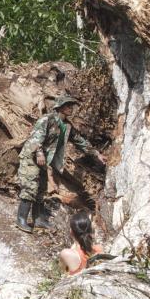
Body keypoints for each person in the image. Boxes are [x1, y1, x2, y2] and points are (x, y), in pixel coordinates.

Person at [15, 95, 103, 232]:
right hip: (31, 157)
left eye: (72, 106)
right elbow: (35, 138)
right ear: (60, 107)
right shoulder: (47, 119)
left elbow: (80, 141)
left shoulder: (67, 126)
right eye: (68, 106)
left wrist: (97, 154)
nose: (71, 108)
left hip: (45, 161)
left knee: (41, 189)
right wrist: (39, 153)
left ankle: (38, 219)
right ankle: (21, 219)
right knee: (30, 187)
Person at [59, 210, 100, 275]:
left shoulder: (67, 253)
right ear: (90, 230)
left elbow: (62, 271)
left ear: (71, 231)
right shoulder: (99, 249)